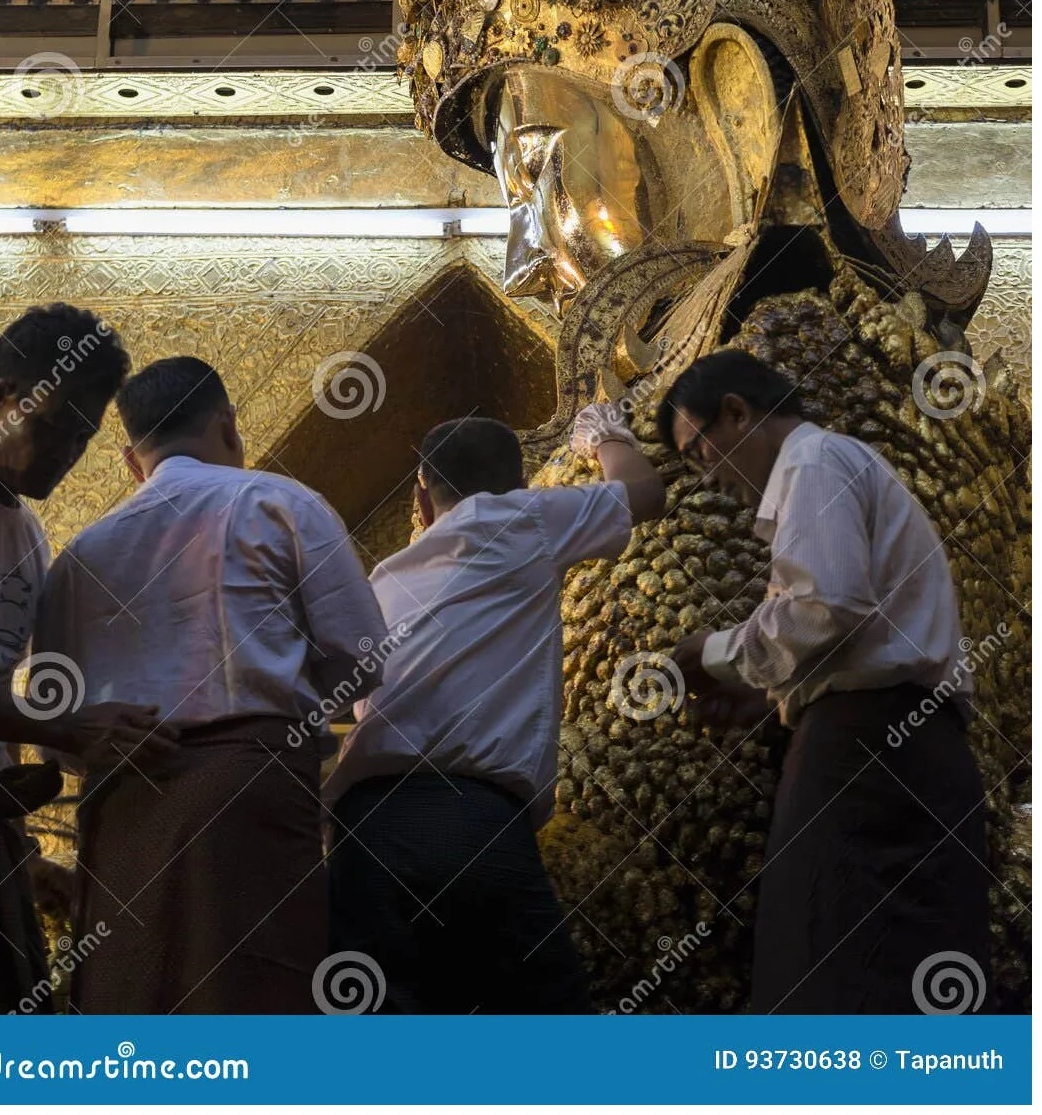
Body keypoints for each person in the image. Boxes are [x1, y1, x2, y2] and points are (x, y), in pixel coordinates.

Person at [34, 355, 387, 1015]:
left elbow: (58, 736)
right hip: (246, 785)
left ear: (129, 461)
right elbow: (362, 660)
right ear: (228, 424)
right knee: (257, 988)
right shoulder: (279, 503)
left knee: (133, 995)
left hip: (121, 811)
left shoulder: (77, 557)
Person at [659, 348, 990, 1015]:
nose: (707, 481)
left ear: (735, 412)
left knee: (830, 969)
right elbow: (846, 630)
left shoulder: (811, 464)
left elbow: (827, 604)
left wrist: (712, 652)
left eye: (698, 452)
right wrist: (770, 697)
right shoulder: (833, 468)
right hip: (899, 747)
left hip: (864, 754)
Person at [325, 404, 666, 1014]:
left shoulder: (381, 579)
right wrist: (604, 434)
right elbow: (642, 492)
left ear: (422, 500)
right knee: (543, 1021)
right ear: (519, 485)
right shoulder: (520, 518)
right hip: (467, 819)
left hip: (360, 827)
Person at [0, 303, 166, 1015]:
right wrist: (70, 731)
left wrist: (15, 841)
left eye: (82, 437)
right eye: (52, 429)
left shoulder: (30, 535)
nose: (65, 454)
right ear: (1, 402)